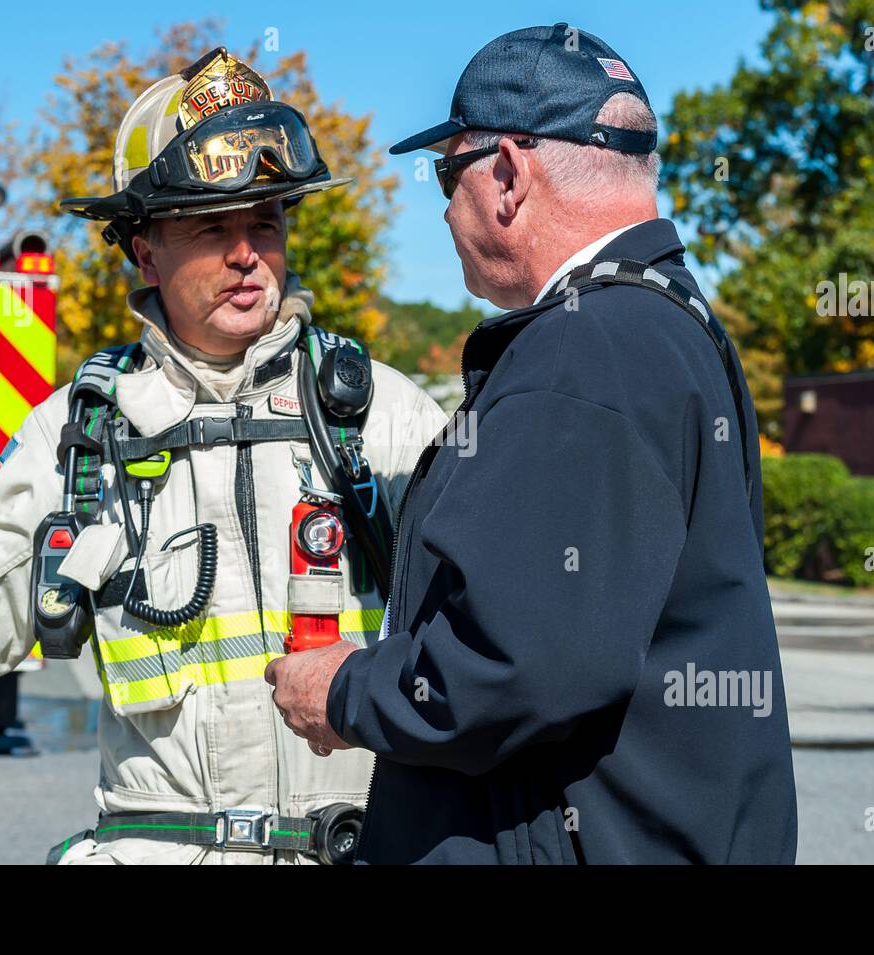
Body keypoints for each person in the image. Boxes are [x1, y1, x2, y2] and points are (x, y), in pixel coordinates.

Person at [0, 48, 447, 865]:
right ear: (144, 250)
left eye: (265, 221)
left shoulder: (379, 414)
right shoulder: (80, 437)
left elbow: (504, 641)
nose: (247, 253)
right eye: (212, 224)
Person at [266, 24, 798, 864]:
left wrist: (341, 691)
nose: (444, 207)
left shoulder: (585, 349)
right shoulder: (669, 328)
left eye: (450, 174)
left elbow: (510, 667)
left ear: (509, 174)